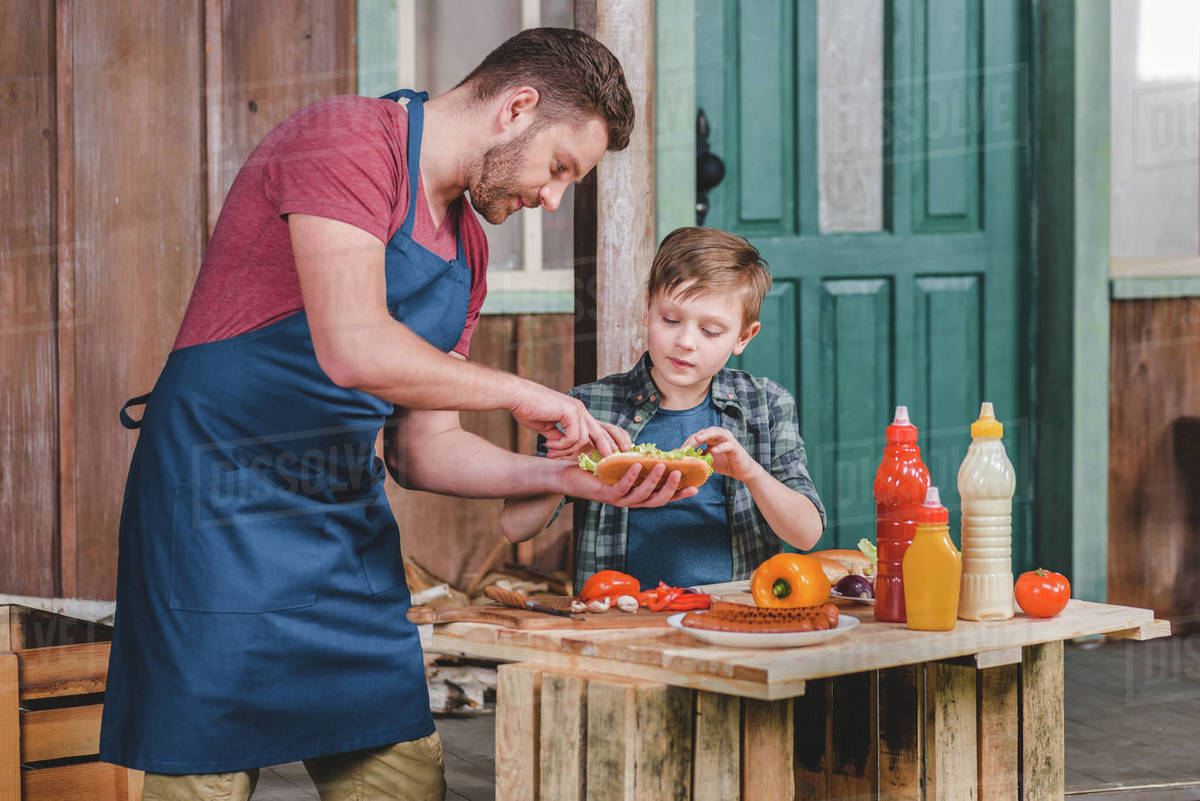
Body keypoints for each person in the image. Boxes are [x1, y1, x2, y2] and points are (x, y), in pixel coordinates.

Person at [100, 28, 691, 801]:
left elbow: (422, 448)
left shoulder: (467, 254)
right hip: (216, 510)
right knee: (203, 776)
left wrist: (567, 477)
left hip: (339, 524)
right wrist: (523, 393)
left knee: (402, 772)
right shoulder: (346, 141)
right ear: (516, 107)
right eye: (559, 169)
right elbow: (354, 347)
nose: (550, 198)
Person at [501, 227, 826, 590]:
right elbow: (515, 527)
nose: (685, 342)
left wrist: (749, 472)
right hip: (618, 618)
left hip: (735, 620)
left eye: (711, 331)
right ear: (647, 309)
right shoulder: (589, 406)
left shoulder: (766, 404)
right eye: (670, 320)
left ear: (743, 337)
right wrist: (566, 461)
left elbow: (806, 534)